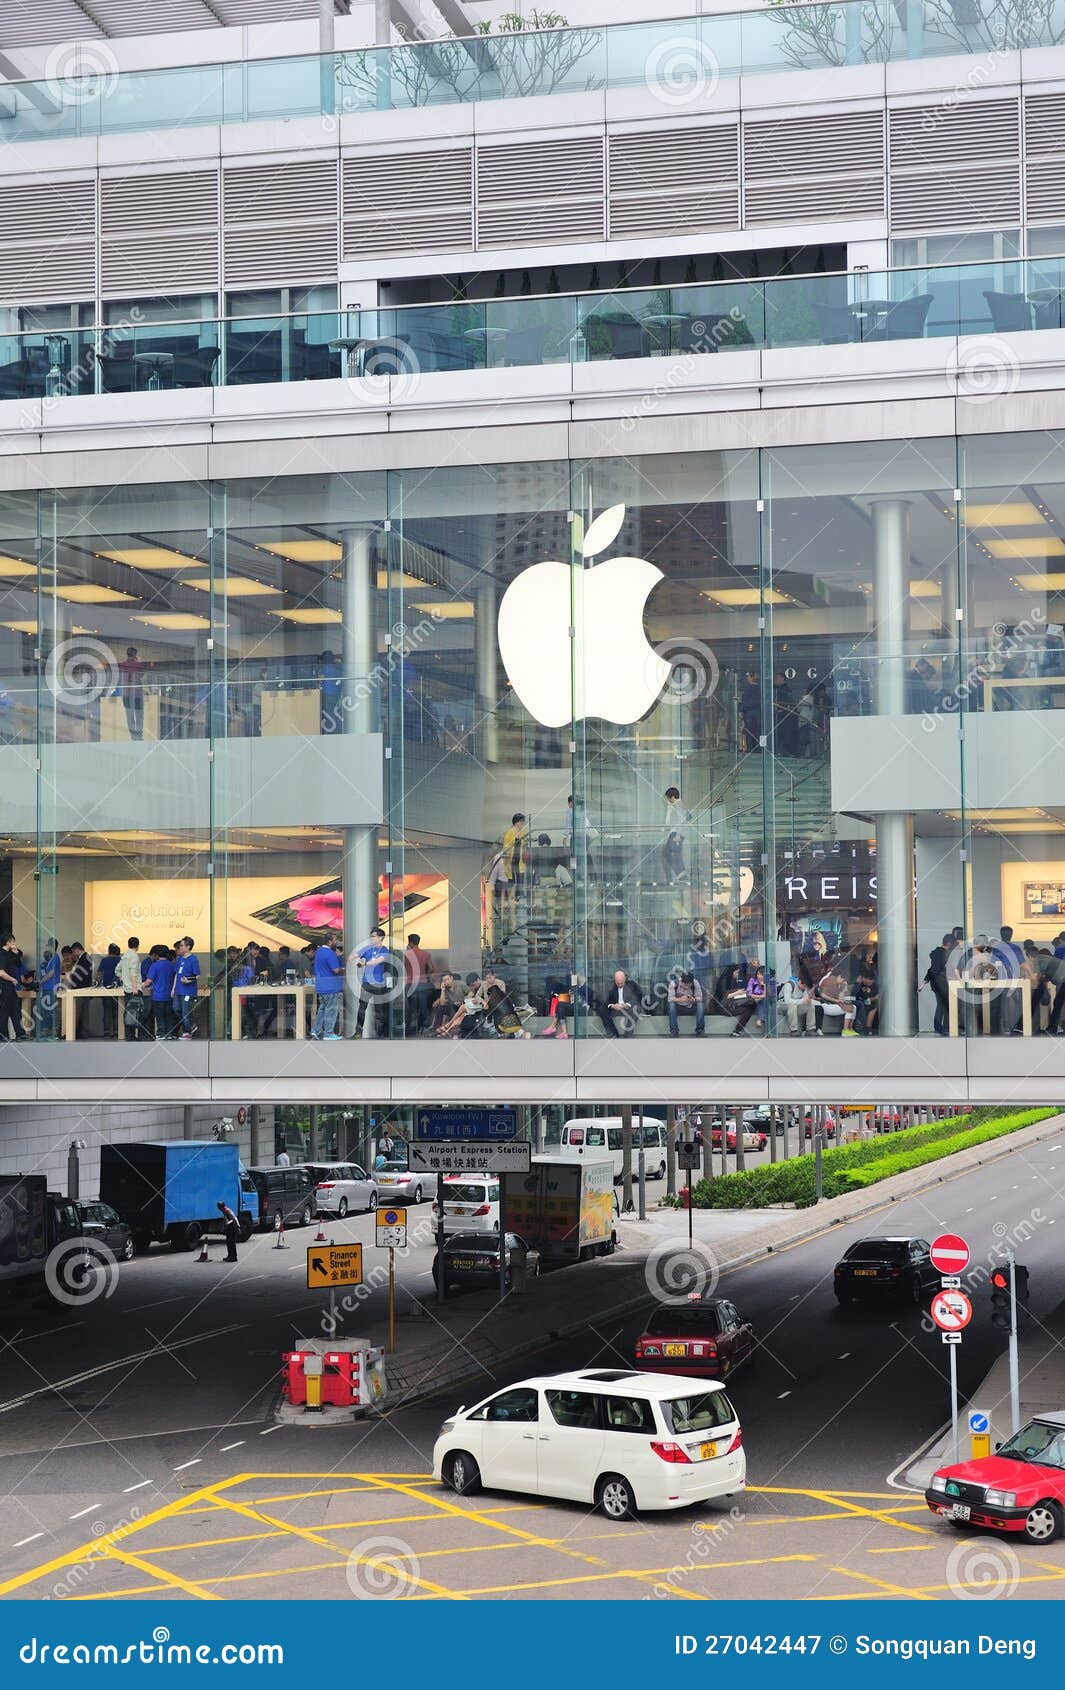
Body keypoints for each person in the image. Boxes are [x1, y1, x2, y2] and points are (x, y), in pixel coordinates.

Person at [354, 926, 391, 1038]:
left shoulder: (384, 950)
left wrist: (365, 963)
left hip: (378, 983)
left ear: (381, 938)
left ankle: (379, 1033)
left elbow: (378, 961)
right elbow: (359, 958)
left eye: (374, 936)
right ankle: (358, 1033)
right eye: (371, 936)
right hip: (366, 983)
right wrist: (360, 961)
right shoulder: (368, 949)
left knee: (379, 1009)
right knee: (361, 1008)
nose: (372, 939)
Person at [312, 937, 344, 1039]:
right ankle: (328, 1033)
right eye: (335, 940)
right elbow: (335, 970)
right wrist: (344, 969)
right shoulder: (330, 953)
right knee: (331, 1010)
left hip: (321, 986)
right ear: (329, 941)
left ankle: (316, 1030)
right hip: (331, 986)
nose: (337, 942)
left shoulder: (319, 952)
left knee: (322, 1009)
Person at [404, 932, 435, 1034]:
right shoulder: (426, 954)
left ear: (410, 942)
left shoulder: (406, 954)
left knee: (411, 1007)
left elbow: (401, 968)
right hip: (423, 984)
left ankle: (412, 1028)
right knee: (423, 1007)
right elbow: (431, 969)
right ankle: (424, 1028)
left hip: (410, 984)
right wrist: (424, 973)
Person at [599, 969, 642, 1038]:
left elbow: (637, 997)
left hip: (627, 1008)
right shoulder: (610, 986)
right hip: (615, 1009)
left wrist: (626, 1004)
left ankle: (628, 1034)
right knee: (602, 1009)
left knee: (637, 1009)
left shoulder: (632, 985)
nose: (619, 985)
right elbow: (605, 998)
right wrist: (612, 1005)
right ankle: (613, 1033)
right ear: (615, 981)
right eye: (617, 983)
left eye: (621, 983)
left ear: (625, 979)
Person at [173, 936, 201, 1040]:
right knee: (176, 1008)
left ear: (188, 947)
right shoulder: (179, 959)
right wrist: (173, 988)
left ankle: (187, 1031)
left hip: (188, 991)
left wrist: (189, 979)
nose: (180, 947)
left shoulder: (193, 959)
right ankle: (191, 1025)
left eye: (181, 945)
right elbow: (176, 974)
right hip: (178, 990)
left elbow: (197, 975)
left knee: (185, 1010)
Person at [662, 786, 691, 884]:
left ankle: (681, 874)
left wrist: (678, 835)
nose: (667, 801)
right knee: (670, 853)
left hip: (676, 833)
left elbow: (681, 821)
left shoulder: (678, 805)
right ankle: (681, 874)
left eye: (667, 798)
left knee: (669, 853)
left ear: (672, 797)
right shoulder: (677, 805)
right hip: (675, 832)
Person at [146, 946, 176, 1039]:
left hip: (158, 996)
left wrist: (140, 985)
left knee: (160, 1016)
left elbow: (149, 981)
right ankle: (170, 1033)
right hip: (169, 995)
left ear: (157, 954)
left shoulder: (154, 965)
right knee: (169, 1015)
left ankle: (161, 1033)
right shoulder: (171, 965)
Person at [118, 646, 146, 740]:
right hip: (137, 693)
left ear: (127, 654)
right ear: (135, 655)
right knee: (139, 715)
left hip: (126, 693)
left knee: (129, 715)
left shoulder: (122, 665)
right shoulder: (138, 665)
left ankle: (133, 736)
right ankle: (139, 734)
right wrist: (139, 661)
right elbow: (142, 675)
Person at [95, 942, 122, 1039]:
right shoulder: (121, 960)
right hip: (118, 989)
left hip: (106, 989)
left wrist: (97, 984)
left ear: (109, 951)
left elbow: (99, 974)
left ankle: (106, 1032)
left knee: (107, 1011)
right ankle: (117, 1031)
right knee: (117, 1011)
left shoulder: (104, 961)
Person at [667, 971, 705, 1037]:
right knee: (671, 1005)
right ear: (681, 981)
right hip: (678, 1006)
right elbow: (670, 998)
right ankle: (674, 1031)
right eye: (685, 984)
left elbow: (700, 997)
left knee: (700, 1005)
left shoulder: (695, 983)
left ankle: (700, 1030)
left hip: (691, 1006)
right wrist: (680, 999)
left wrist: (694, 999)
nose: (686, 987)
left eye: (689, 984)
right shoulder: (673, 984)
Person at [0, 936, 23, 1041]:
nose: (14, 943)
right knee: (5, 1011)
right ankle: (3, 1034)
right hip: (5, 987)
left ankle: (19, 1033)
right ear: (8, 942)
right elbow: (1, 972)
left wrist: (16, 952)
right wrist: (12, 979)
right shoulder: (2, 954)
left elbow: (18, 964)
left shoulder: (10, 954)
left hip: (11, 988)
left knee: (15, 1010)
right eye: (13, 942)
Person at [37, 940, 60, 1040]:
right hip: (47, 988)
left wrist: (40, 982)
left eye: (47, 945)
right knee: (46, 1011)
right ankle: (46, 1032)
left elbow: (51, 974)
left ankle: (53, 1033)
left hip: (51, 988)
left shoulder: (55, 958)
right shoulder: (50, 959)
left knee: (50, 1011)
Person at [320, 649, 342, 734]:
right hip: (336, 694)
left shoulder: (323, 668)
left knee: (328, 714)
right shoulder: (336, 668)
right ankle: (335, 730)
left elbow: (320, 680)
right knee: (332, 712)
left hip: (327, 693)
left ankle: (330, 731)